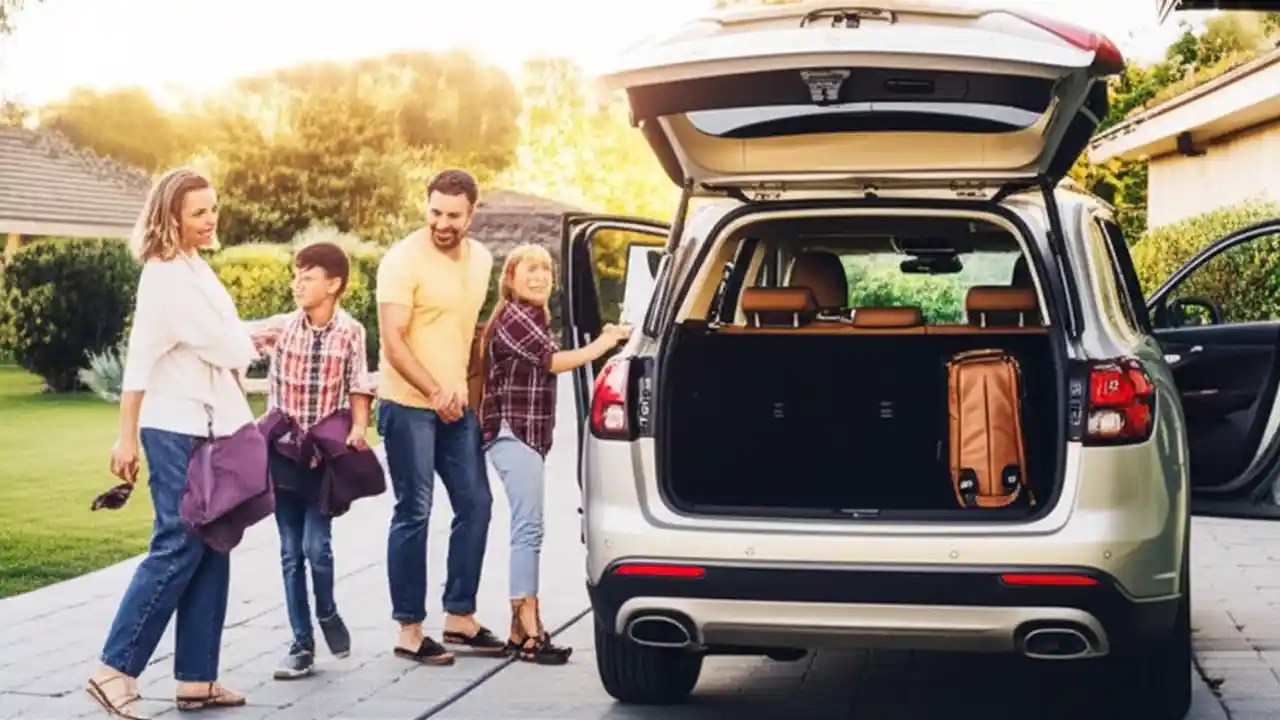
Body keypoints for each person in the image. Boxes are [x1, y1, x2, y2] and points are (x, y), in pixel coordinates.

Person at [88, 167, 258, 718]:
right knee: (179, 544)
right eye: (199, 212)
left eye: (214, 208)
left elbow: (221, 339)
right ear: (172, 216)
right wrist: (126, 437)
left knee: (213, 541)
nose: (211, 220)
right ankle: (113, 670)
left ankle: (196, 679)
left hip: (203, 425)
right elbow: (221, 347)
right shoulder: (165, 275)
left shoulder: (192, 267)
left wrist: (253, 331)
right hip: (174, 428)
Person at [479, 244, 631, 663]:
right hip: (513, 431)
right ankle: (529, 625)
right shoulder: (514, 317)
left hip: (526, 434)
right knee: (528, 528)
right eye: (530, 269)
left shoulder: (532, 317)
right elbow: (553, 362)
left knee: (531, 526)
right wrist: (606, 341)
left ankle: (519, 628)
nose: (540, 276)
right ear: (510, 277)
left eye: (546, 270)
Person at [376, 169, 502, 665]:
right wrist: (433, 390)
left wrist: (468, 397)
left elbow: (469, 335)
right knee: (415, 511)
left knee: (477, 504)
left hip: (457, 408)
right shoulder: (402, 259)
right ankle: (409, 629)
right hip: (408, 405)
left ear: (472, 213)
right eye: (434, 212)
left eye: (453, 215)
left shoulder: (483, 260)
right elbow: (393, 340)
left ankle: (459, 617)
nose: (442, 223)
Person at [243, 241, 376, 680]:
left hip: (321, 457)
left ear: (334, 284)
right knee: (288, 551)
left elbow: (359, 385)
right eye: (295, 275)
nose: (297, 283)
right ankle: (301, 643)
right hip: (281, 452)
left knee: (316, 548)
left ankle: (328, 613)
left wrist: (358, 427)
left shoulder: (351, 331)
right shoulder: (282, 327)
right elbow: (233, 340)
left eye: (308, 276)